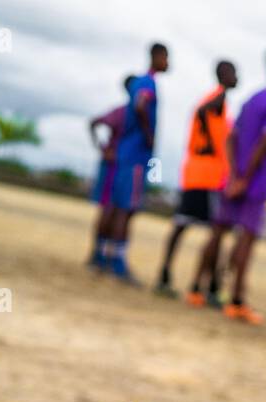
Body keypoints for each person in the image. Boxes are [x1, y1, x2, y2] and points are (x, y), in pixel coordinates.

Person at [188, 48, 266, 325]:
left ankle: (197, 289)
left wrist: (234, 174)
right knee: (246, 240)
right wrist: (246, 177)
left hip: (232, 180)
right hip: (255, 183)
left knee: (217, 233)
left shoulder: (250, 101)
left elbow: (232, 138)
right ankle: (236, 300)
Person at [154, 61, 238, 300]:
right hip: (208, 176)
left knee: (183, 226)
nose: (237, 77)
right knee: (214, 234)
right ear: (223, 75)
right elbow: (201, 111)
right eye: (233, 73)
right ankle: (207, 287)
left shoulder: (221, 102)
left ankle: (167, 274)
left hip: (197, 173)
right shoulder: (219, 97)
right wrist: (210, 145)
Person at [104, 43, 170, 282]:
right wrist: (148, 134)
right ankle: (118, 262)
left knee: (116, 206)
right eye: (166, 57)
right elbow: (141, 105)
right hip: (136, 156)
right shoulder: (148, 82)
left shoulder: (139, 82)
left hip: (127, 153)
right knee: (126, 209)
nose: (168, 62)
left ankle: (104, 255)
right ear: (157, 57)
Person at [87, 75, 136, 269]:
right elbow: (94, 122)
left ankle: (106, 255)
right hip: (114, 166)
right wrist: (102, 148)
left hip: (124, 166)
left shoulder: (131, 113)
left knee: (120, 211)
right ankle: (102, 256)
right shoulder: (124, 112)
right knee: (112, 210)